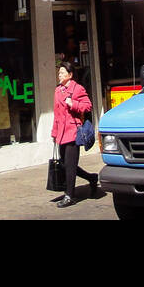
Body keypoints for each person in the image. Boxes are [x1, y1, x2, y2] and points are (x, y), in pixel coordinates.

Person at [51, 60, 97, 208]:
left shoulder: (77, 89)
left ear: (70, 75)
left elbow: (88, 106)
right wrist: (54, 132)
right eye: (59, 73)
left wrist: (74, 104)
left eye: (62, 73)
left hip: (72, 131)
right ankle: (91, 177)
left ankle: (69, 195)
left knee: (70, 166)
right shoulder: (58, 90)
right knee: (66, 165)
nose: (59, 75)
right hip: (61, 133)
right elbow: (56, 114)